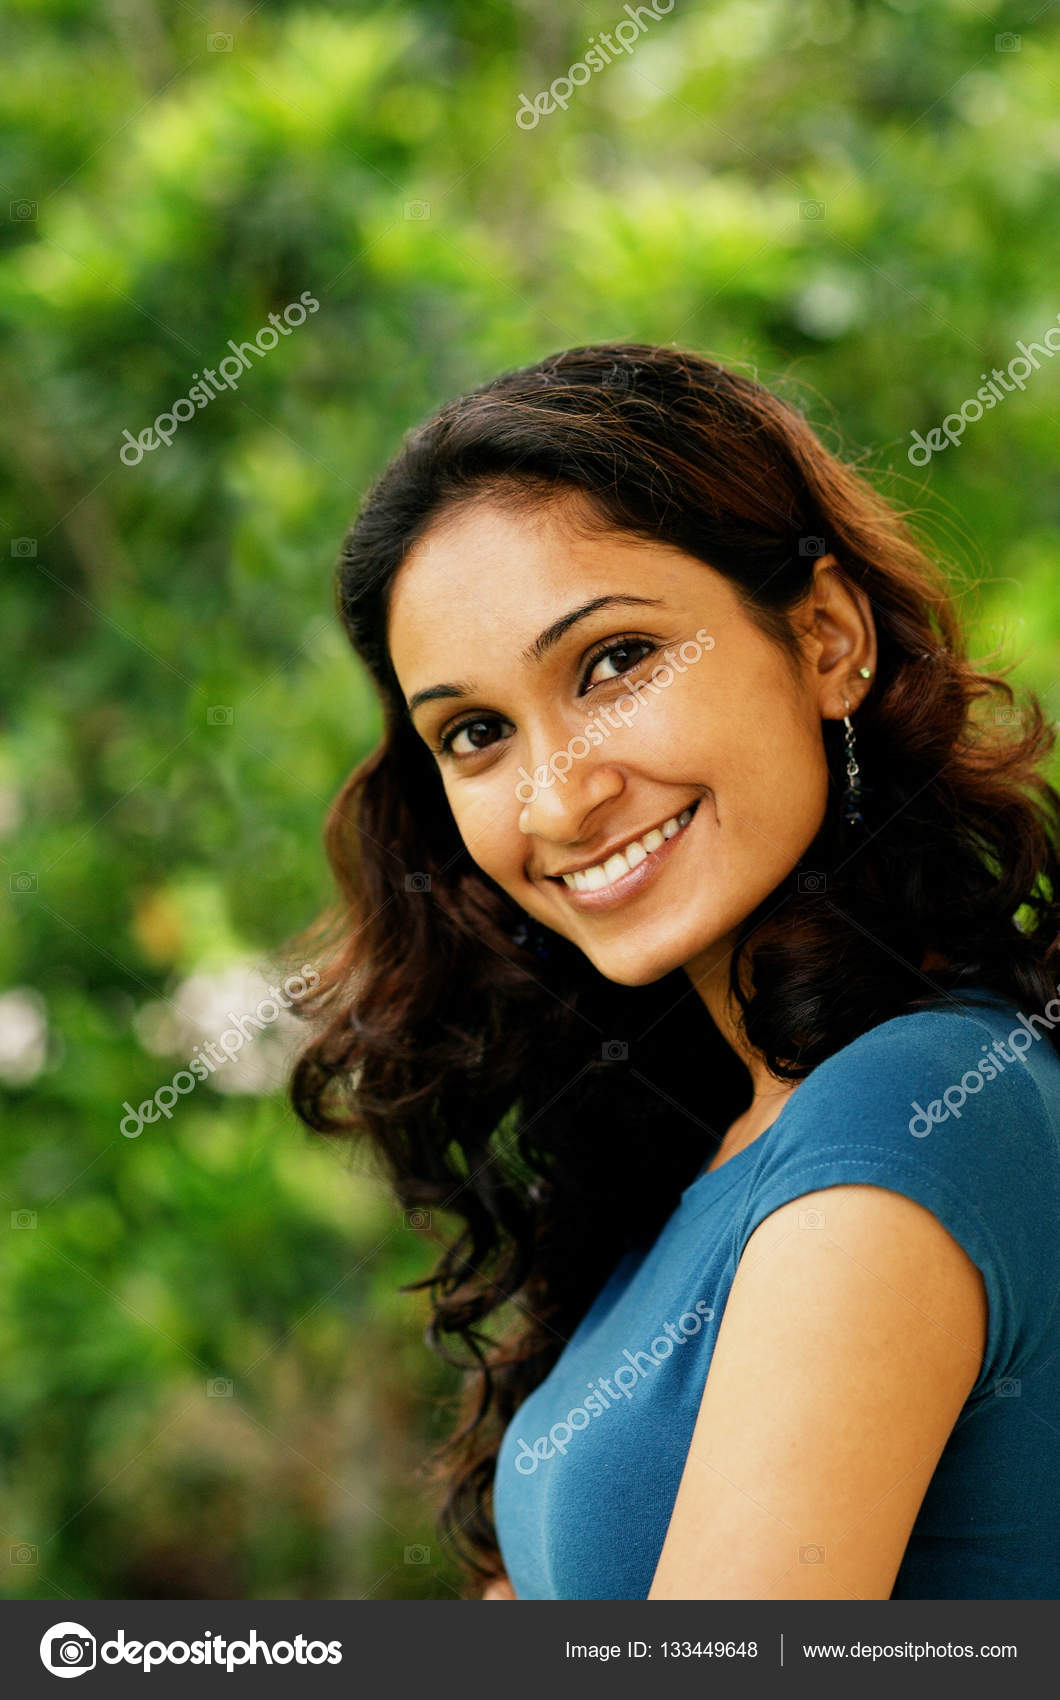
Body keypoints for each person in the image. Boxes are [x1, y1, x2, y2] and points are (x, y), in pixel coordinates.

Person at [289, 342, 1060, 1600]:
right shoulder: (724, 1137)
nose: (557, 798)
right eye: (476, 733)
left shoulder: (912, 1109)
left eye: (613, 662)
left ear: (823, 636)